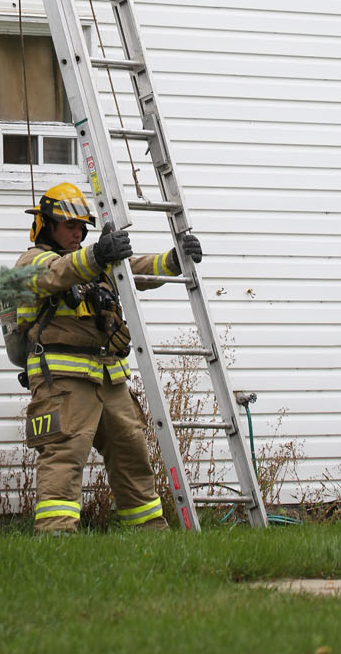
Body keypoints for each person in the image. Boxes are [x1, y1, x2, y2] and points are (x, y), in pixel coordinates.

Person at [13, 181, 203, 534]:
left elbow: (135, 270)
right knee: (64, 456)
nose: (78, 232)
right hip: (63, 382)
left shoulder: (92, 263)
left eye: (82, 226)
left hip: (110, 378)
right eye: (70, 225)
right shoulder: (33, 261)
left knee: (132, 453)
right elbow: (58, 273)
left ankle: (148, 532)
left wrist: (174, 260)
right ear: (47, 225)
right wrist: (97, 254)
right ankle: (56, 535)